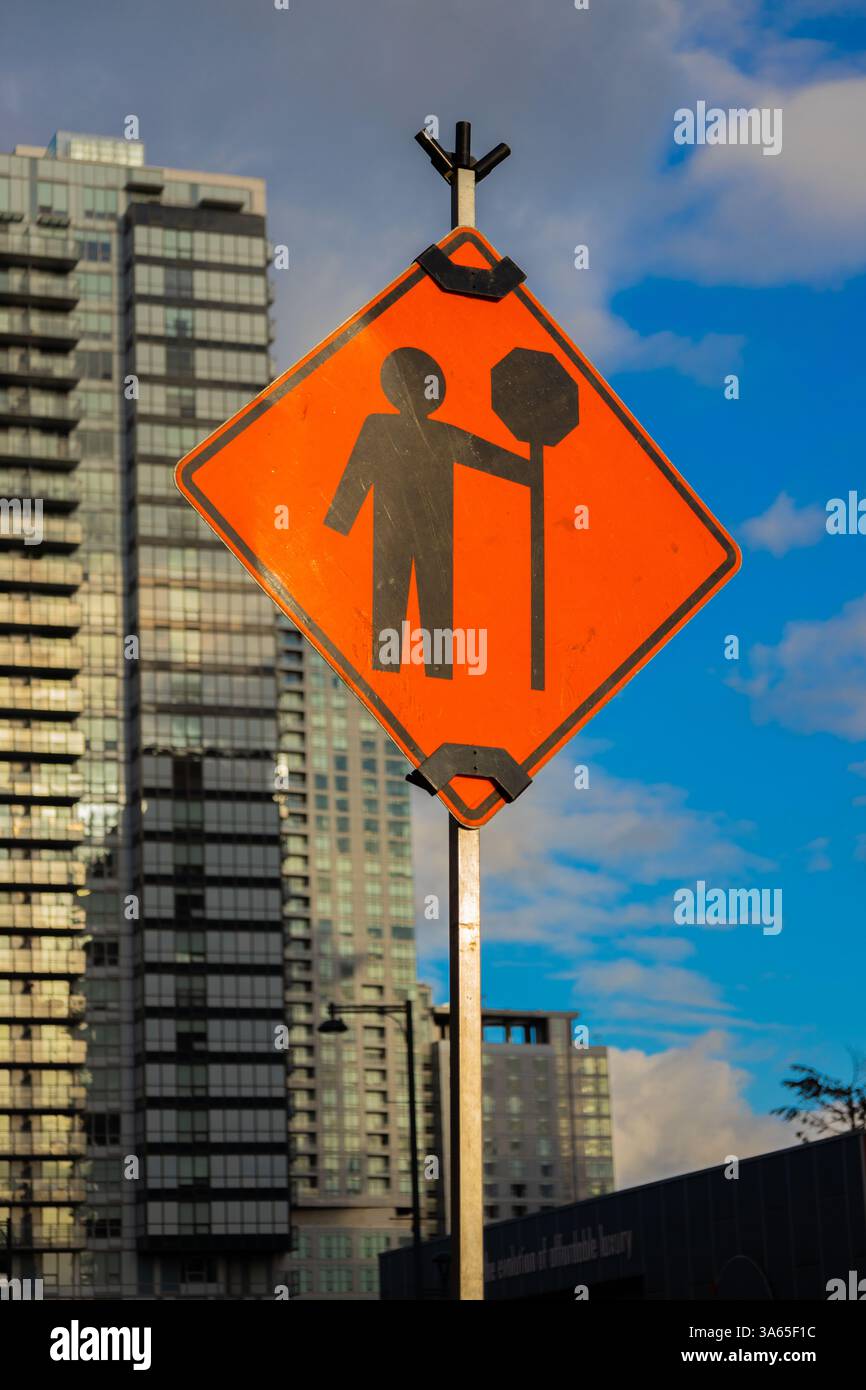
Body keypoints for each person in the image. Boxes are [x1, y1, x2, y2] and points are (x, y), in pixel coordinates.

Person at [324, 346, 533, 678]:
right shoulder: (380, 427)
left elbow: (488, 456)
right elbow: (354, 481)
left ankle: (437, 677)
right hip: (393, 538)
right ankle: (389, 674)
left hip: (434, 541)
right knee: (391, 606)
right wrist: (336, 527)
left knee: (436, 609)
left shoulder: (442, 433)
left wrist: (533, 473)